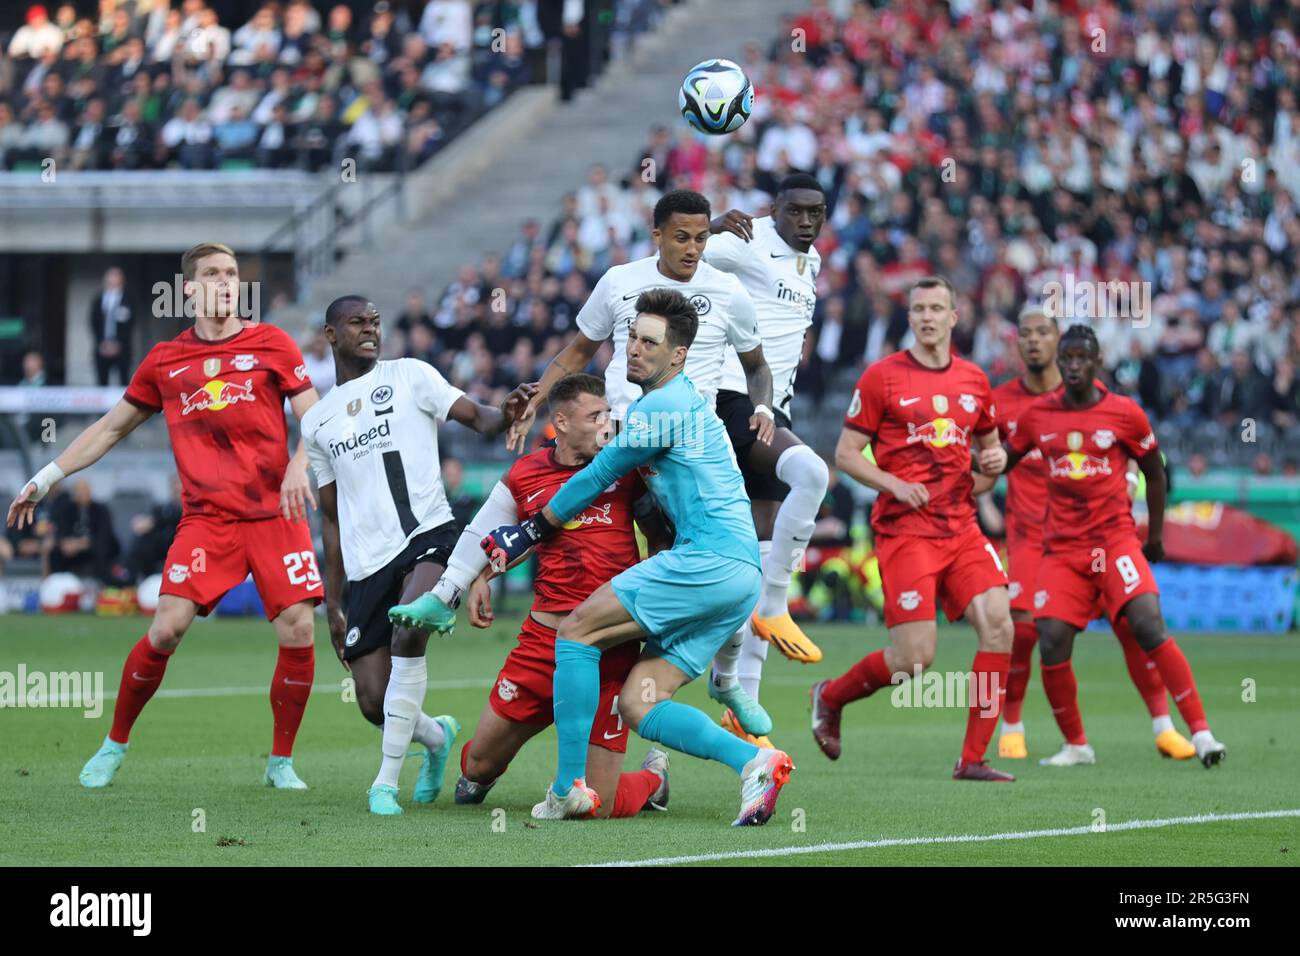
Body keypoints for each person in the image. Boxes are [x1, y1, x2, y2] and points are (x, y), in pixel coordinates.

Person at [8, 242, 324, 791]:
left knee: (298, 629)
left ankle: (280, 762)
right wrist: (46, 477)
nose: (226, 283)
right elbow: (108, 429)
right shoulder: (165, 361)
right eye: (212, 275)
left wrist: (301, 461)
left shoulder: (272, 344)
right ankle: (114, 744)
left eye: (231, 274)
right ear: (189, 290)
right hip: (208, 520)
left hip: (277, 512)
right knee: (167, 627)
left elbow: (315, 417)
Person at [476, 289, 795, 826]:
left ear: (678, 356)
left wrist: (529, 529)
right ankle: (757, 761)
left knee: (576, 632)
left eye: (650, 341)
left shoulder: (661, 405)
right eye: (631, 337)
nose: (634, 348)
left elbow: (598, 474)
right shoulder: (680, 405)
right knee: (639, 702)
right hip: (738, 577)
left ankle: (568, 787)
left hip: (707, 560)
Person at [499, 189, 775, 740]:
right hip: (624, 444)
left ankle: (720, 680)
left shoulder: (727, 291)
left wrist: (765, 406)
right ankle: (657, 729)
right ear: (657, 235)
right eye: (682, 237)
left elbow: (757, 365)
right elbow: (577, 353)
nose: (693, 248)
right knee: (657, 570)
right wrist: (538, 399)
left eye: (702, 237)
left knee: (706, 557)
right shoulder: (621, 282)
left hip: (687, 445)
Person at [391, 373, 673, 817]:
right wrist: (482, 576)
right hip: (543, 645)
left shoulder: (626, 470)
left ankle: (653, 778)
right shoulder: (526, 474)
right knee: (476, 772)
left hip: (609, 647)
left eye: (608, 414)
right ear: (560, 421)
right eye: (594, 415)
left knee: (593, 804)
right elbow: (504, 535)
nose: (606, 424)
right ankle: (475, 758)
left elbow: (660, 538)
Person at [301, 296, 534, 815]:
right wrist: (332, 603)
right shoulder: (316, 423)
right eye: (358, 322)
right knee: (370, 702)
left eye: (375, 321)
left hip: (429, 534)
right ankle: (434, 738)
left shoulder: (411, 375)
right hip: (365, 565)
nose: (370, 329)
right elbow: (332, 519)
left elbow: (480, 418)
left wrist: (507, 412)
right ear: (331, 334)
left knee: (411, 629)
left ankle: (385, 782)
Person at [809, 276, 1016, 781]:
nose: (926, 317)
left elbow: (988, 465)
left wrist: (998, 459)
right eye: (918, 308)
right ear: (910, 318)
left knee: (1001, 627)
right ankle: (830, 696)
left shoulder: (975, 381)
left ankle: (972, 759)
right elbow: (845, 455)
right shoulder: (882, 378)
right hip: (906, 532)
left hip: (961, 527)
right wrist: (893, 484)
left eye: (936, 308)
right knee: (914, 659)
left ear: (953, 317)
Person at [998, 324, 1227, 768]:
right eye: (1068, 358)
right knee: (1049, 640)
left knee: (1146, 624)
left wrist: (1155, 536)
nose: (1075, 365)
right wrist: (973, 460)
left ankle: (1201, 733)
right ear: (1060, 363)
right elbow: (1005, 458)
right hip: (1062, 550)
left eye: (1083, 357)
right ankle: (1077, 745)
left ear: (1098, 360)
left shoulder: (1125, 413)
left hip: (1115, 541)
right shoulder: (1038, 415)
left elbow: (1155, 472)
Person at [701, 174, 834, 747]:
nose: (807, 221)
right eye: (796, 211)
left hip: (771, 405)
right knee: (812, 472)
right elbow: (672, 251)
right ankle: (777, 606)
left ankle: (738, 696)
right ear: (774, 210)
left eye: (817, 212)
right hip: (733, 397)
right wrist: (710, 225)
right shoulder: (748, 236)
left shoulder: (816, 262)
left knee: (758, 547)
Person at [47, 479, 124, 585]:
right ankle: (58, 585)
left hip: (95, 546)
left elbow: (104, 535)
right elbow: (61, 532)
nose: (82, 494)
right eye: (79, 491)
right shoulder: (66, 510)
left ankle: (105, 586)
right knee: (55, 552)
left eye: (85, 490)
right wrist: (65, 542)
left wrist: (83, 543)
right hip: (74, 549)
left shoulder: (101, 510)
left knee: (101, 549)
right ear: (73, 493)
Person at [89, 266, 135, 386]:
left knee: (123, 381)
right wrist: (102, 343)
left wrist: (118, 344)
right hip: (102, 348)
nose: (113, 280)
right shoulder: (98, 300)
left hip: (122, 349)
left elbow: (130, 324)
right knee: (101, 382)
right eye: (110, 277)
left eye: (116, 277)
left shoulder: (128, 300)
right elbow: (93, 323)